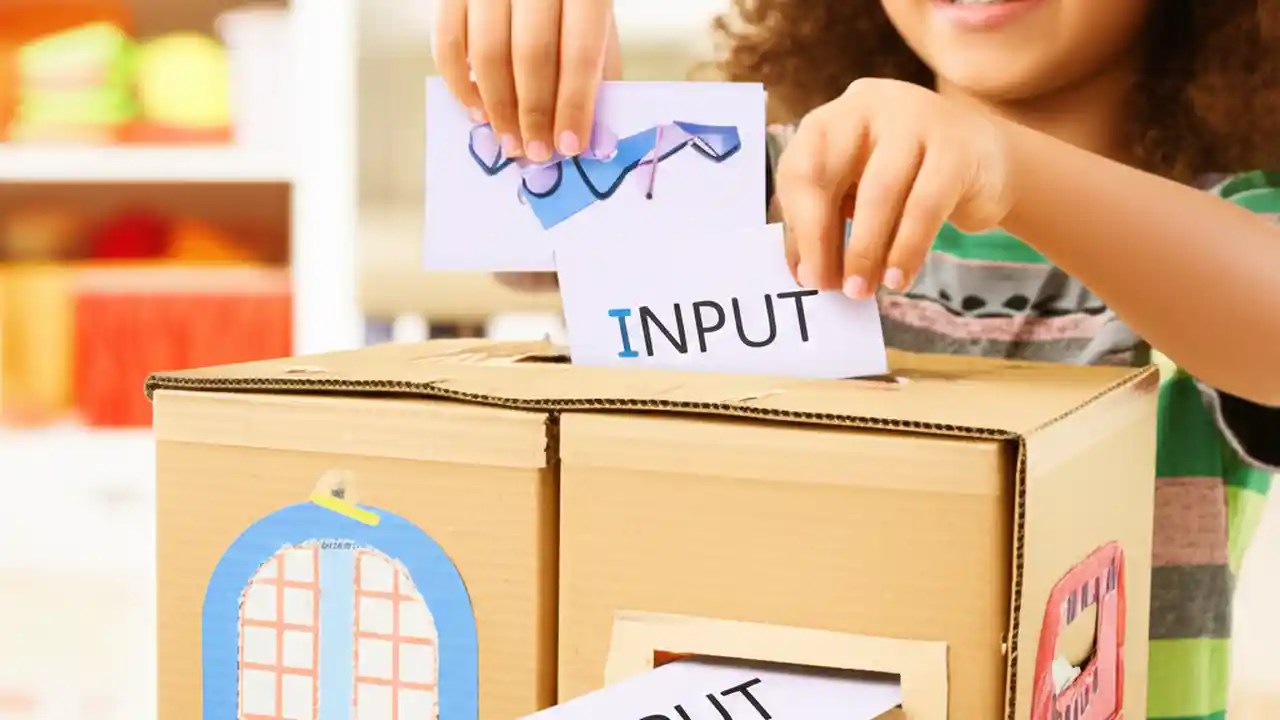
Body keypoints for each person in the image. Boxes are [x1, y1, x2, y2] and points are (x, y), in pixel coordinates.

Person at [431, 1, 1279, 717]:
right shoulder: (778, 183)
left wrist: (1005, 162)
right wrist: (540, 90)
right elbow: (532, 239)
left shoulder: (1221, 235)